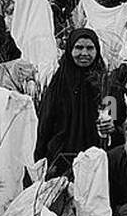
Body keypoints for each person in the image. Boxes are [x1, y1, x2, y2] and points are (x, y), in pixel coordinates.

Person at [35, 27, 108, 173]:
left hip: (95, 156)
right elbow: (46, 122)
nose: (84, 53)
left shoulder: (105, 83)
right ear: (70, 50)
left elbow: (113, 111)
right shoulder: (59, 83)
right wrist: (41, 156)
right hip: (61, 156)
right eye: (79, 48)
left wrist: (110, 125)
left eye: (90, 48)